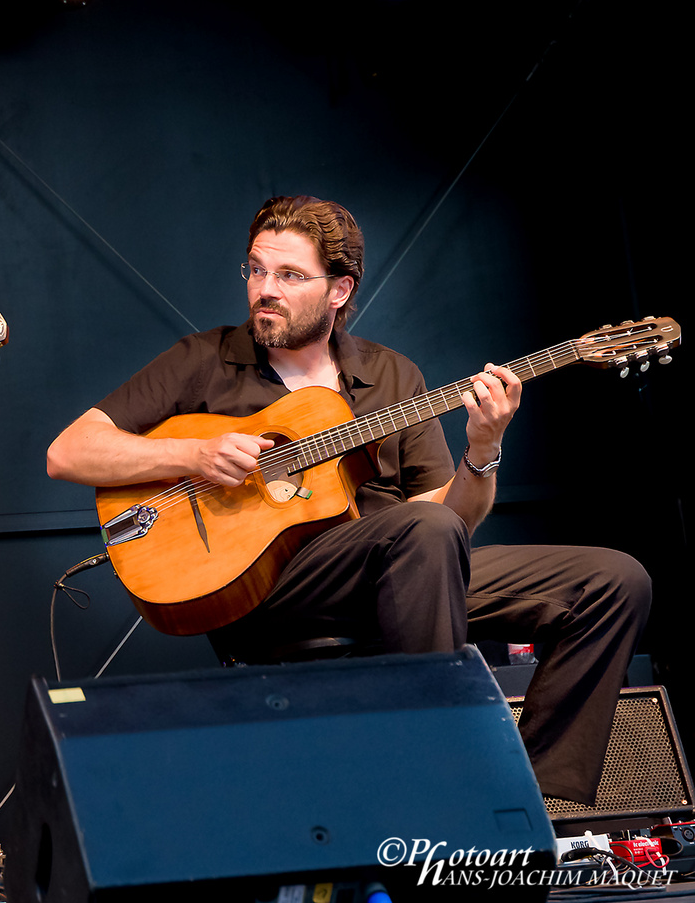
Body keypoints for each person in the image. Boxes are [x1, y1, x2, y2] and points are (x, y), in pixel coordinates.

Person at [45, 195, 650, 804]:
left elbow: (452, 516)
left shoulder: (392, 376)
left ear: (339, 290)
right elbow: (68, 452)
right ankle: (447, 780)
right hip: (278, 584)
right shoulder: (203, 360)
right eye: (256, 270)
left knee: (612, 580)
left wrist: (483, 450)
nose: (264, 290)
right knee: (422, 531)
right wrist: (191, 456)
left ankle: (539, 804)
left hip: (413, 571)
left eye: (288, 276)